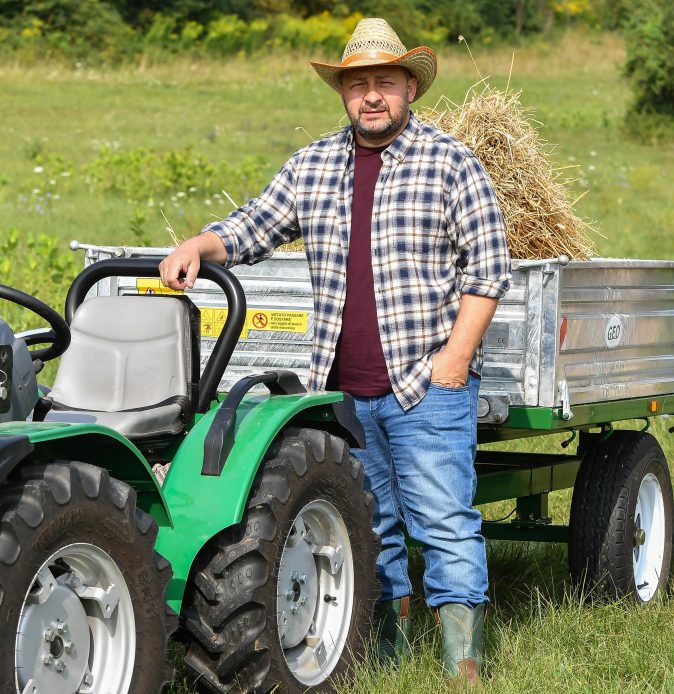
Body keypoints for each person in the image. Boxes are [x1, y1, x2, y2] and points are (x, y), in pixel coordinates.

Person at [158, 17, 511, 684]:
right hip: (343, 394)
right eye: (358, 84)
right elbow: (254, 226)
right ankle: (389, 658)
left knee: (444, 524)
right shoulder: (314, 165)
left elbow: (489, 267)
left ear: (410, 88)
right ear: (343, 93)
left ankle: (462, 666)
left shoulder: (450, 163)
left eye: (385, 82)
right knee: (371, 529)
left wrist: (456, 358)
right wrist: (197, 246)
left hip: (425, 384)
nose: (371, 95)